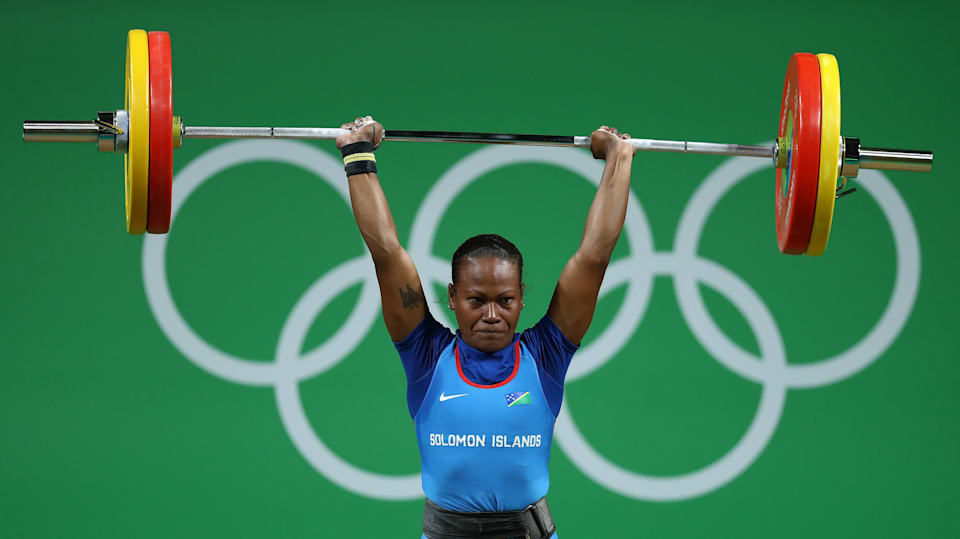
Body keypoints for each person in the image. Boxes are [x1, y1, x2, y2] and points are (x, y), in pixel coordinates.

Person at [337, 116, 636, 539]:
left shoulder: (546, 355)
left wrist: (618, 159)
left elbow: (594, 256)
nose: (492, 315)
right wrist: (357, 153)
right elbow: (386, 252)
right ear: (453, 297)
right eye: (476, 301)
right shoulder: (426, 354)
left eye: (505, 301)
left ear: (522, 297)